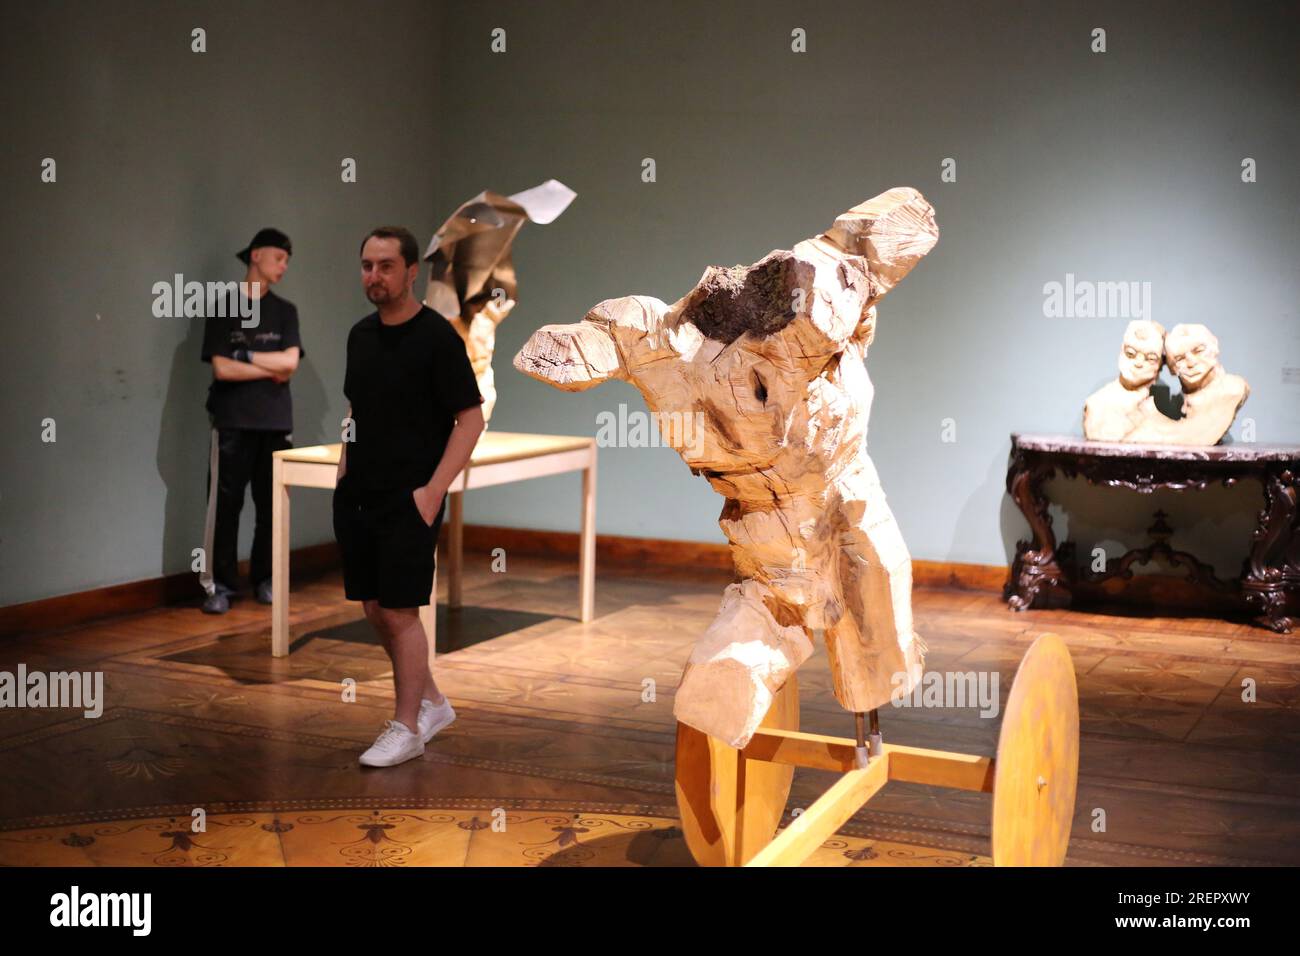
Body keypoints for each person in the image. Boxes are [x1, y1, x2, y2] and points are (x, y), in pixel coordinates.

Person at [335, 226, 486, 767]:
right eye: (366, 266)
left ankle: (406, 727)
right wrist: (343, 465)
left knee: (400, 611)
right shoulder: (359, 335)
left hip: (409, 496)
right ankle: (433, 703)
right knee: (374, 606)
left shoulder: (437, 338)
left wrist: (432, 491)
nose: (374, 276)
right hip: (359, 492)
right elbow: (357, 409)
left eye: (385, 266)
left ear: (410, 271)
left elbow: (470, 418)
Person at [199, 228, 305, 613]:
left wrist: (245, 358)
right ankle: (220, 586)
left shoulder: (285, 310)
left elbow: (290, 363)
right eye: (279, 258)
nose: (284, 266)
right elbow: (222, 369)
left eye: (288, 261)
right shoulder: (223, 306)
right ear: (257, 255)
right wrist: (266, 364)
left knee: (271, 507)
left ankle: (267, 578)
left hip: (275, 423)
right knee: (224, 507)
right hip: (232, 421)